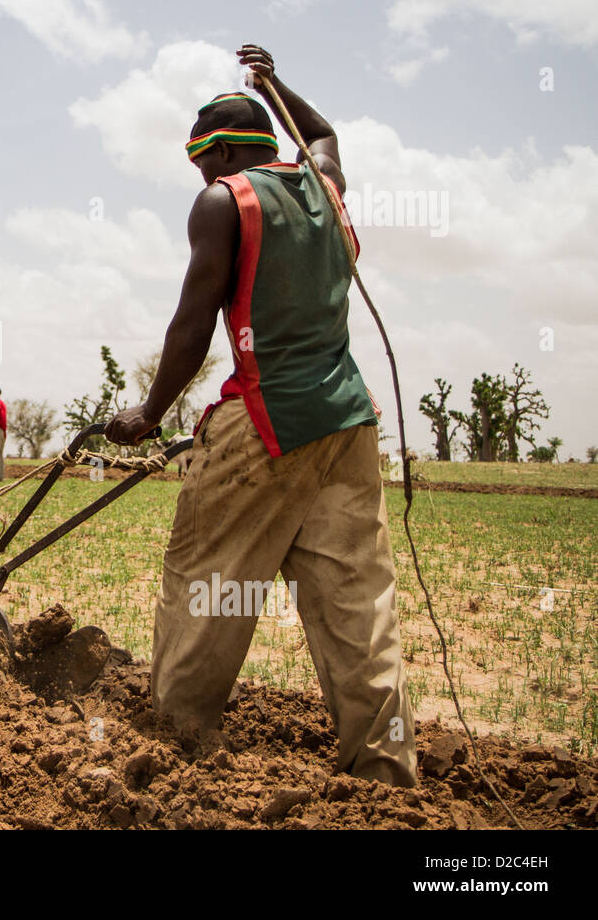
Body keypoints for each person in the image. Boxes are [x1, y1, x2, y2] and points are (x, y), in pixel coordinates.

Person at [105, 44, 416, 787]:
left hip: (267, 420)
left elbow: (192, 325)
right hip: (348, 421)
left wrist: (148, 413)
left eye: (203, 163)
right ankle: (382, 774)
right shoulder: (323, 183)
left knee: (206, 580)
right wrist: (274, 84)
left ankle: (175, 747)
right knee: (357, 606)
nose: (204, 179)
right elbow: (326, 135)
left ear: (221, 153)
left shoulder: (224, 201)